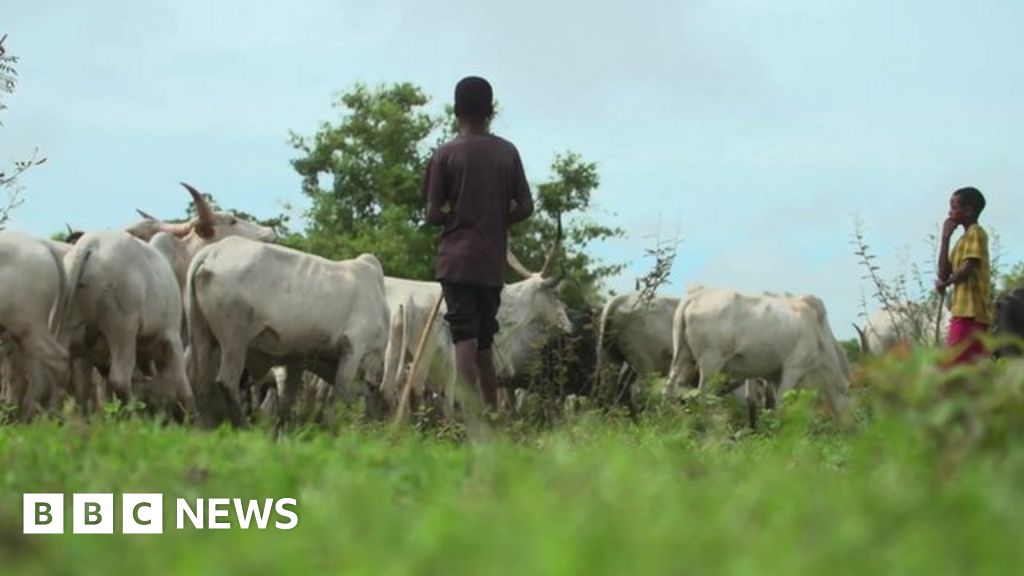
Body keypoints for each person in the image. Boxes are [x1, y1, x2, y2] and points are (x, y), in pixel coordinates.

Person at [423, 76, 534, 413]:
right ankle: (492, 411)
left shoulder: (445, 154)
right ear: (491, 111)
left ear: (456, 111)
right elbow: (526, 206)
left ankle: (469, 417)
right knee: (485, 338)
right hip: (490, 263)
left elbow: (431, 213)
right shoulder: (507, 152)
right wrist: (497, 221)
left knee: (464, 338)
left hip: (456, 261)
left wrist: (454, 218)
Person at [935, 186, 992, 365]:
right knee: (968, 369)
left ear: (968, 210)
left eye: (954, 206)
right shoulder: (961, 240)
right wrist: (945, 238)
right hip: (961, 312)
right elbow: (943, 272)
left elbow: (967, 268)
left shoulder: (976, 233)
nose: (949, 211)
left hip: (972, 314)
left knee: (951, 366)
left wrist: (946, 284)